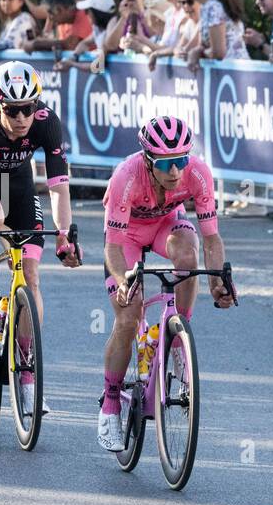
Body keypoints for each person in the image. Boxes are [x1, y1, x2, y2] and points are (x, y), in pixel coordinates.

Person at [0, 62, 81, 417]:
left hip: (18, 182)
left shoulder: (47, 122)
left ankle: (26, 374)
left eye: (28, 108)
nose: (22, 117)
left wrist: (65, 236)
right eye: (12, 110)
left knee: (31, 276)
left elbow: (59, 188)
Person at [98, 117, 234, 450]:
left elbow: (211, 239)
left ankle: (177, 338)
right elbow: (113, 248)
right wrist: (124, 281)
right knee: (128, 317)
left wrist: (217, 280)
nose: (175, 171)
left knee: (188, 254)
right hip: (126, 238)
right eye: (165, 163)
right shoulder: (126, 177)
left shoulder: (198, 173)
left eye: (181, 161)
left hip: (166, 226)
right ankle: (110, 403)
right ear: (148, 160)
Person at [185, 0, 248, 65]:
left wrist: (198, 53)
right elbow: (203, 45)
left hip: (234, 68)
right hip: (223, 69)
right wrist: (196, 51)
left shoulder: (214, 8)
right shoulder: (204, 7)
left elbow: (219, 53)